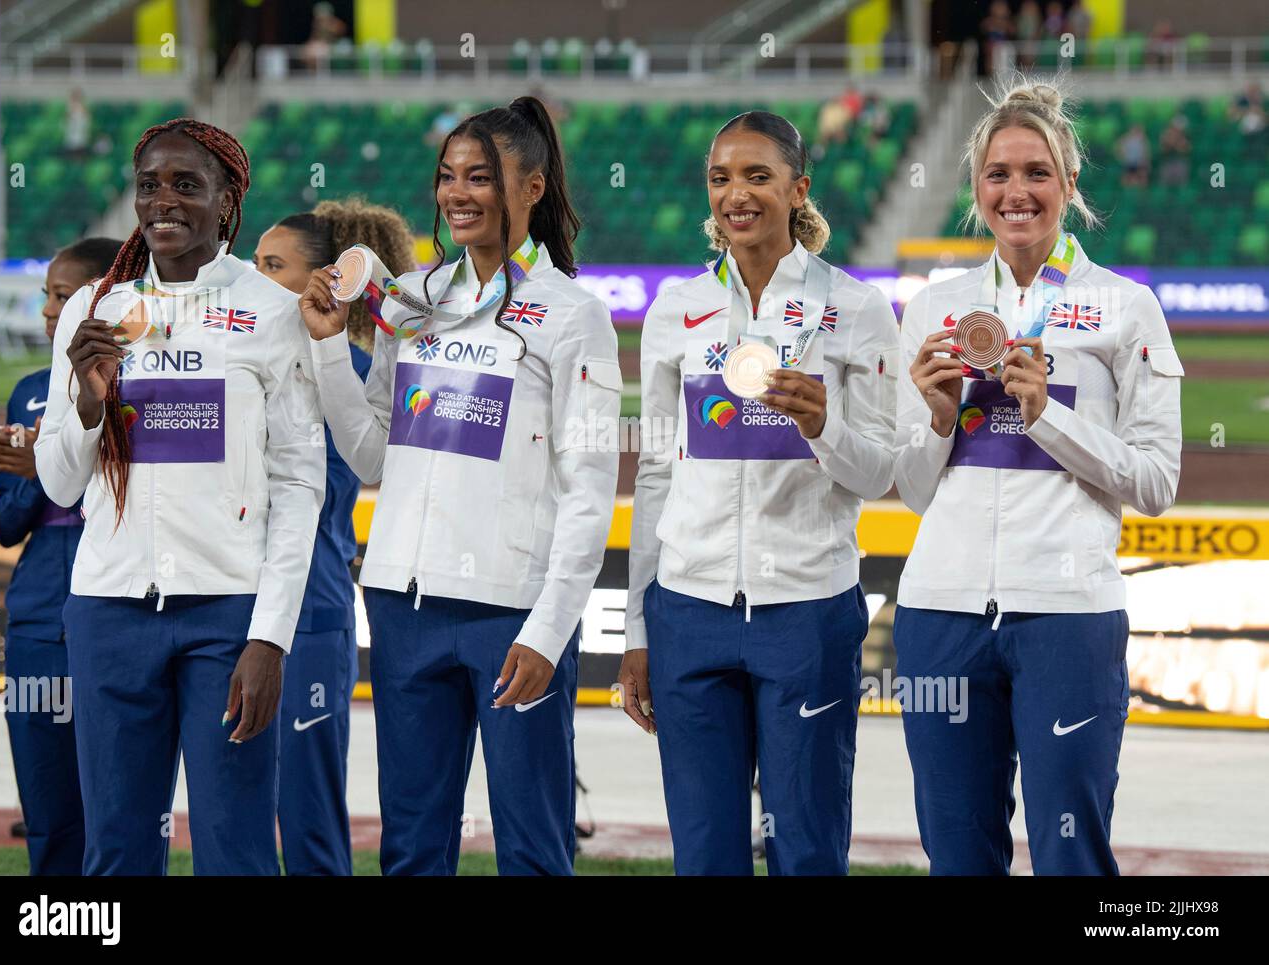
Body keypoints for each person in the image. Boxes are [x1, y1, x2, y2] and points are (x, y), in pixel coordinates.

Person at [300, 95, 620, 876]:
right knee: (411, 849)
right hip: (403, 608)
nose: (457, 194)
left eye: (481, 177)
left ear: (531, 189)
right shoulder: (414, 303)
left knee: (533, 849)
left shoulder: (576, 316)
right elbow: (373, 455)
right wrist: (326, 351)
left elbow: (589, 490)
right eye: (448, 177)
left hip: (511, 614)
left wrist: (548, 630)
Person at [892, 77, 1184, 875]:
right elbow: (913, 488)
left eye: (1035, 172)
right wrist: (939, 417)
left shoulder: (1127, 308)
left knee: (1070, 855)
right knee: (956, 854)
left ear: (1069, 185)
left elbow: (1157, 482)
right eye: (998, 174)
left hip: (1068, 618)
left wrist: (1046, 414)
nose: (1016, 191)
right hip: (938, 618)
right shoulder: (935, 307)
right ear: (977, 189)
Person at [35, 118, 325, 876]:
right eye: (149, 186)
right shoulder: (92, 310)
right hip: (108, 609)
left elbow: (300, 486)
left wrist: (270, 637)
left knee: (235, 850)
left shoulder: (268, 310)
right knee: (118, 852)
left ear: (227, 200)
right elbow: (61, 483)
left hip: (226, 617)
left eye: (186, 185)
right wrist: (91, 409)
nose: (163, 202)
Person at [619, 111, 899, 875]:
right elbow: (655, 473)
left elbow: (882, 472)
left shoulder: (857, 308)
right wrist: (639, 625)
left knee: (806, 847)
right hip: (688, 608)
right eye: (720, 178)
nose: (735, 194)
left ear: (798, 188)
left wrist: (824, 424)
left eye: (757, 176)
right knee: (705, 853)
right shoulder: (675, 308)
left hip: (806, 607)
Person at [253, 198, 415, 875]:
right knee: (240, 811)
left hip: (310, 608)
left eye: (272, 267)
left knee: (309, 819)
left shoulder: (341, 364)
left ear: (326, 278)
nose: (252, 279)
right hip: (238, 602)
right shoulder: (242, 355)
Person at [0, 238, 120, 874]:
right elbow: (4, 525)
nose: (47, 310)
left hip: (119, 612)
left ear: (104, 301)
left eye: (63, 297)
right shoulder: (31, 391)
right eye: (47, 296)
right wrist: (41, 465)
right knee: (48, 800)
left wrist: (57, 447)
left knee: (121, 802)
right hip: (38, 621)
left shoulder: (149, 378)